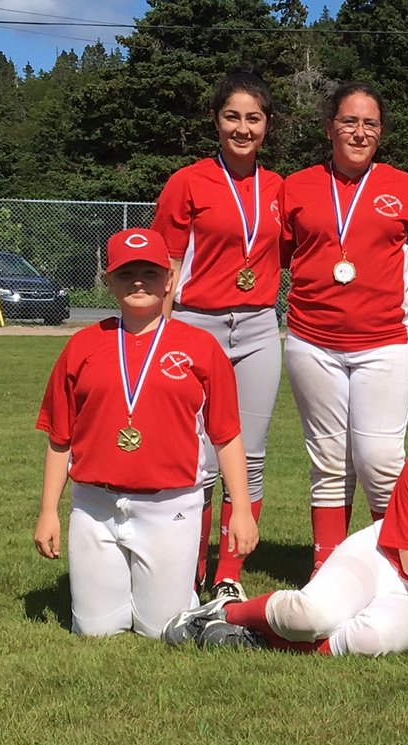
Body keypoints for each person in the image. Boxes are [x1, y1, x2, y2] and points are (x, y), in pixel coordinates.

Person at [163, 356, 408, 654]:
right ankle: (222, 613)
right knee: (311, 615)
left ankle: (252, 642)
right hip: (383, 557)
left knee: (369, 641)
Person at [33, 228, 256, 638]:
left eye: (150, 273)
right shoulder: (82, 346)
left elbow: (226, 436)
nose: (139, 282)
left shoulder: (200, 347)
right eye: (126, 273)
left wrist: (240, 508)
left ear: (169, 280)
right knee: (94, 631)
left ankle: (213, 608)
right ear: (110, 282)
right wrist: (49, 510)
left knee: (162, 631)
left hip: (169, 504)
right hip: (95, 506)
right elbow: (59, 437)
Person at [281, 82, 408, 571]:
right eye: (349, 121)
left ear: (381, 132)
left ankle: (392, 569)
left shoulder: (406, 187)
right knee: (328, 462)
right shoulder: (297, 186)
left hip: (383, 344)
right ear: (330, 128)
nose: (359, 132)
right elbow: (284, 257)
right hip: (312, 342)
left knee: (381, 461)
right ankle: (326, 569)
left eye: (369, 123)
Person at [151, 70, 287, 599]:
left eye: (253, 118)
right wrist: (160, 335)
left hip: (256, 327)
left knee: (248, 455)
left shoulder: (279, 187)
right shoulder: (188, 181)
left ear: (267, 125)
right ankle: (190, 568)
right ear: (215, 120)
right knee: (198, 456)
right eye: (232, 116)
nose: (242, 127)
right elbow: (167, 262)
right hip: (196, 325)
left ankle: (229, 574)